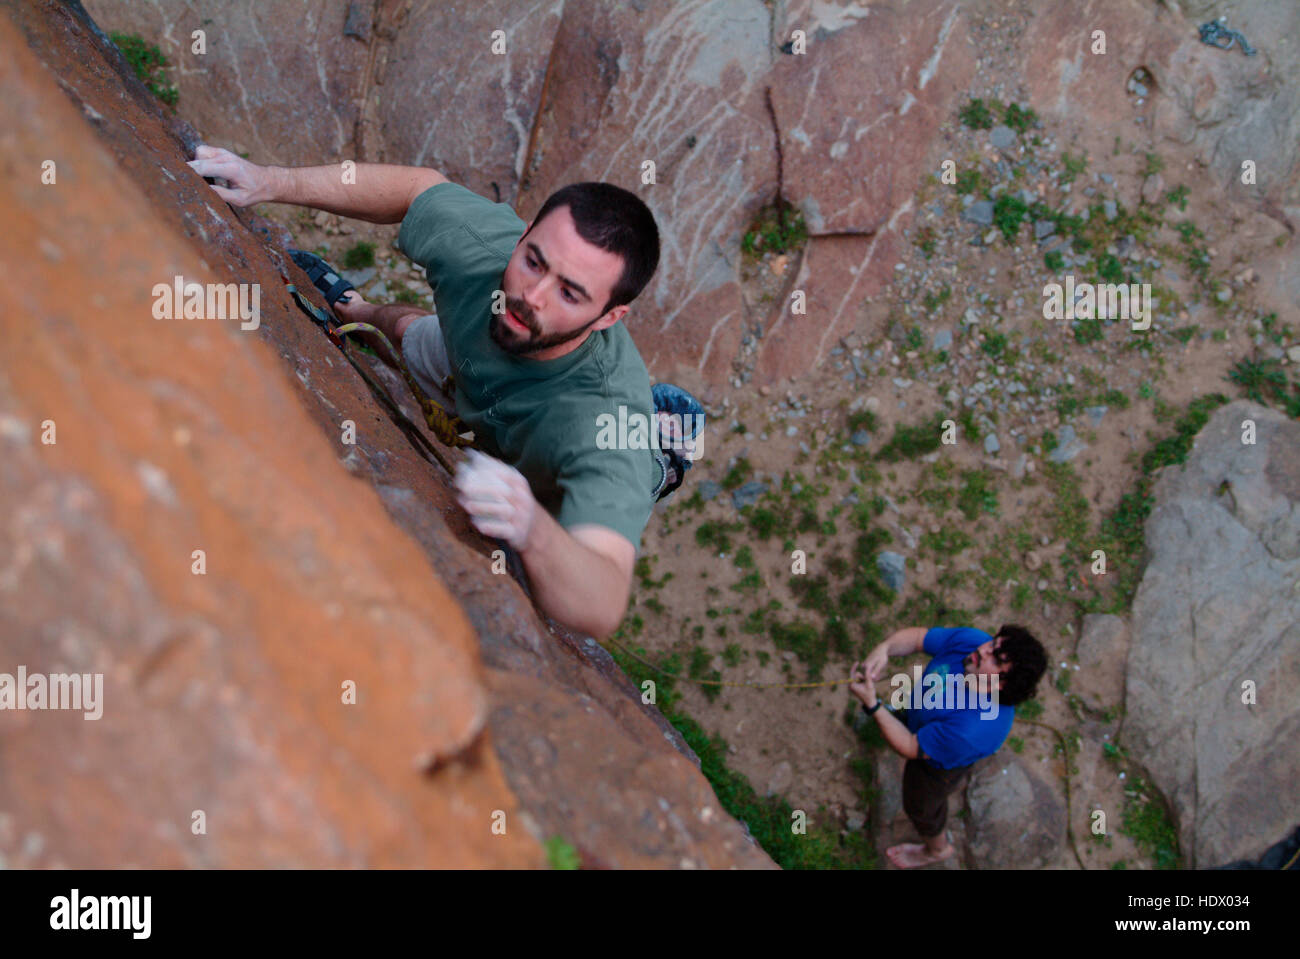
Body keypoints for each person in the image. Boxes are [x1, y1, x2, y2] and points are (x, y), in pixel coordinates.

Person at [188, 144, 689, 639]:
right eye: (533, 261)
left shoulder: (603, 427)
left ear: (609, 317)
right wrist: (268, 181)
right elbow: (417, 188)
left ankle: (664, 455)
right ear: (524, 237)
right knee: (408, 334)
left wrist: (530, 526)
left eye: (570, 293)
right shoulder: (488, 251)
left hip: (549, 472)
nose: (531, 296)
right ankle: (352, 309)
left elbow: (600, 600)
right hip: (474, 371)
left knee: (548, 560)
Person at [849, 623, 1047, 868]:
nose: (984, 650)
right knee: (912, 726)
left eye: (996, 660)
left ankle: (937, 850)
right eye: (993, 644)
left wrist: (873, 706)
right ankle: (907, 723)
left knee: (921, 808)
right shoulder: (973, 644)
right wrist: (884, 648)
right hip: (926, 722)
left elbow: (910, 746)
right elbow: (920, 638)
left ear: (1001, 685)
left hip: (936, 768)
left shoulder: (972, 728)